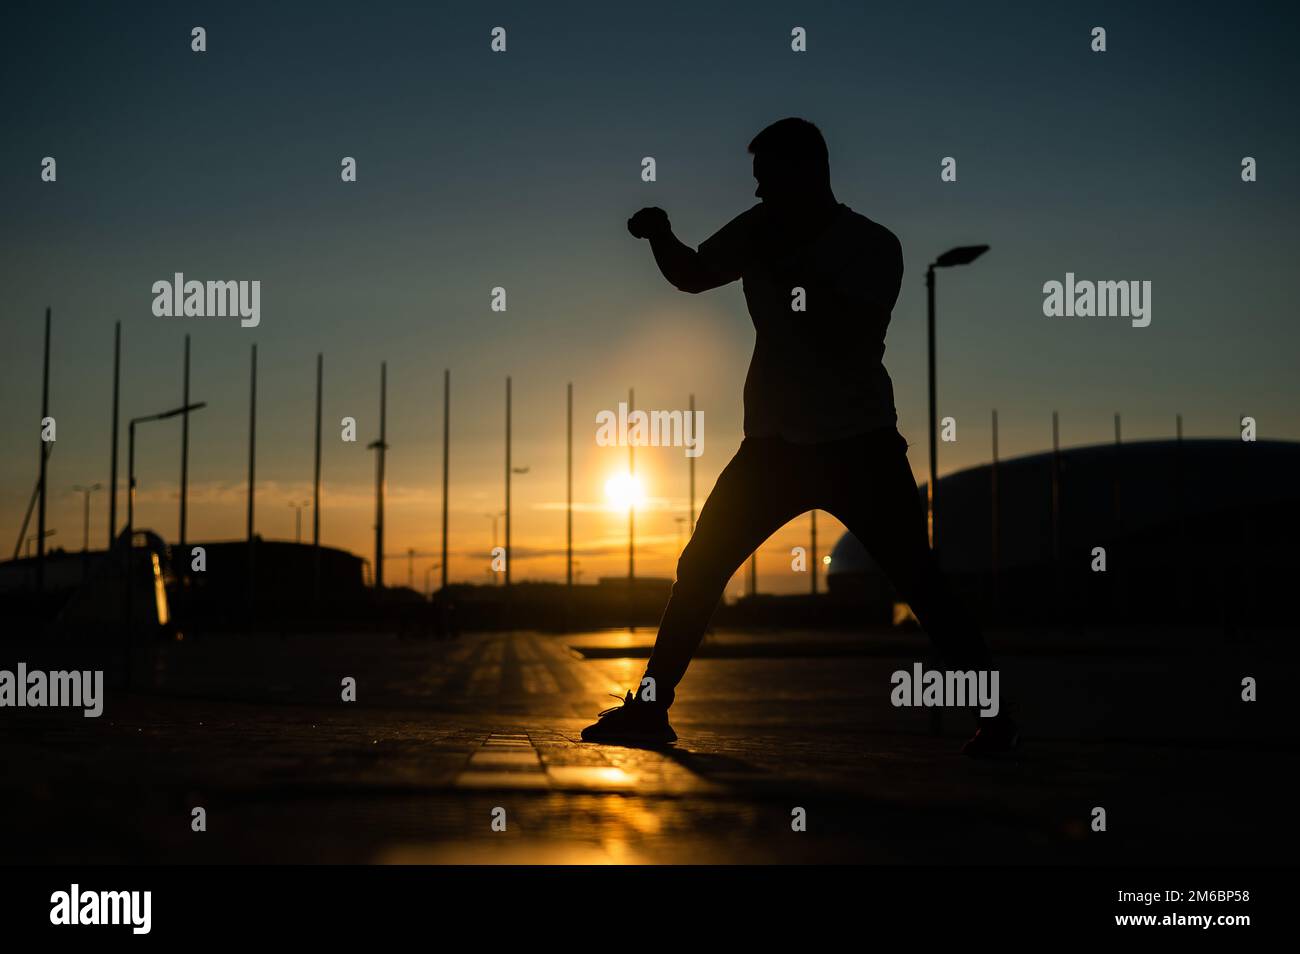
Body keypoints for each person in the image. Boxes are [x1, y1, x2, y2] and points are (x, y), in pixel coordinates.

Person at [582, 118, 1018, 756]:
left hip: (859, 444)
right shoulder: (758, 229)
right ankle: (650, 710)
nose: (758, 195)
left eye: (769, 181)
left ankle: (997, 717)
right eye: (755, 184)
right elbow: (696, 274)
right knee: (700, 566)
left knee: (920, 581)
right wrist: (660, 236)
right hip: (772, 448)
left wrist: (787, 267)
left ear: (808, 173)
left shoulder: (873, 245)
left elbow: (854, 332)